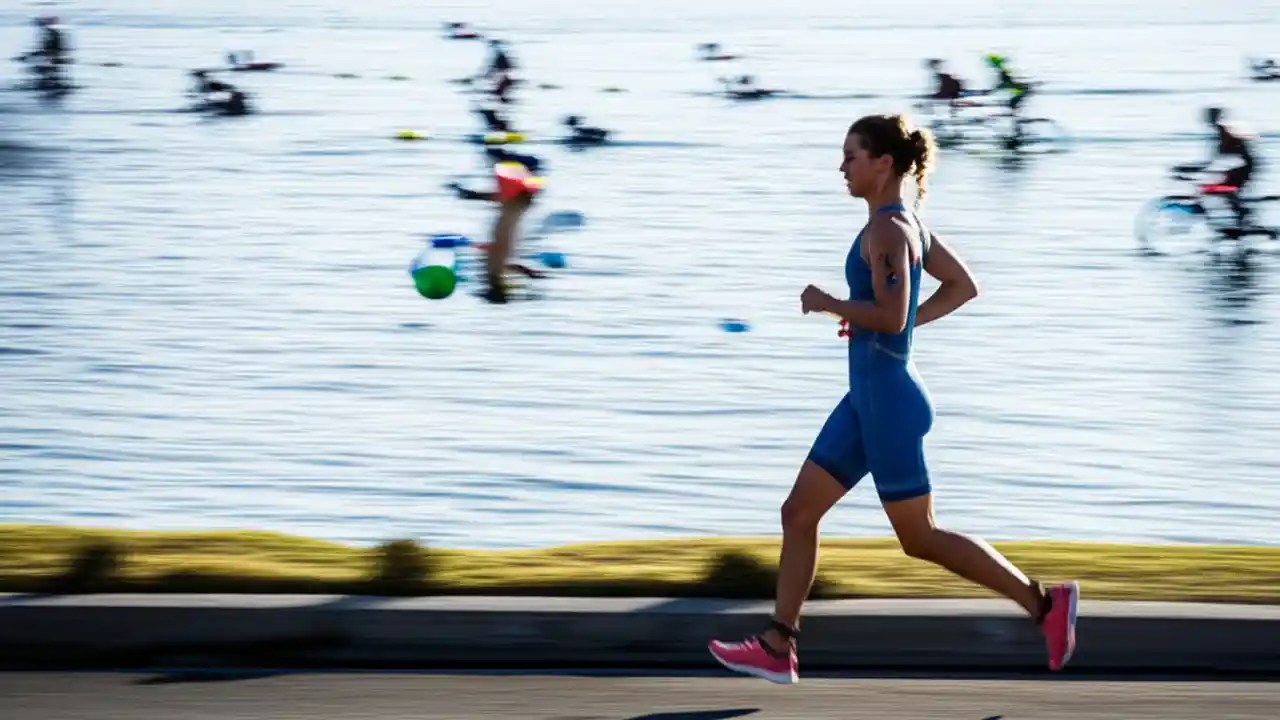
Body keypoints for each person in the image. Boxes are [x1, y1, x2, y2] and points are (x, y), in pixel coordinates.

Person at [707, 113, 1079, 685]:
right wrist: (895, 327)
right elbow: (959, 287)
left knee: (919, 537)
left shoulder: (888, 230)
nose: (842, 166)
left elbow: (889, 313)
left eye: (851, 156)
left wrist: (830, 302)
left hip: (888, 404)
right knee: (798, 512)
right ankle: (779, 645)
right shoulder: (909, 224)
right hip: (868, 399)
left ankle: (1045, 605)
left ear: (883, 164)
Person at [446, 151, 545, 304]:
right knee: (500, 162)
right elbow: (500, 257)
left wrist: (527, 274)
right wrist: (527, 274)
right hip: (516, 203)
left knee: (509, 188)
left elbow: (501, 259)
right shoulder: (493, 274)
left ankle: (521, 164)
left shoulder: (494, 274)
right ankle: (523, 164)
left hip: (515, 205)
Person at [1201, 107, 1256, 226]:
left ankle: (1243, 222)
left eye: (1210, 117)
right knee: (1225, 192)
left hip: (1244, 167)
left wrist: (1195, 169)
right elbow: (1216, 159)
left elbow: (1219, 158)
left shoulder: (1224, 132)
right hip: (1239, 166)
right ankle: (1241, 221)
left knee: (1225, 191)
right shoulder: (1221, 132)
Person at [983, 54, 1033, 141]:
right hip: (1022, 91)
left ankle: (1018, 127)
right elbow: (1004, 84)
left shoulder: (1002, 73)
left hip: (1022, 91)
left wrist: (992, 91)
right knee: (1012, 105)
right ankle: (1017, 126)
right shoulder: (1002, 72)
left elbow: (1003, 84)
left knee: (1012, 105)